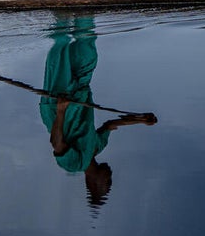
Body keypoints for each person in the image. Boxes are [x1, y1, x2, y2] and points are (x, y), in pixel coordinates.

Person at [39, 15, 157, 208]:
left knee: (61, 46)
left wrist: (61, 110)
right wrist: (141, 119)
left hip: (59, 102)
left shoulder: (74, 164)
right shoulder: (97, 147)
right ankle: (83, 9)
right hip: (80, 93)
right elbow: (112, 125)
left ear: (93, 184)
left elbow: (57, 142)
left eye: (107, 183)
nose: (110, 178)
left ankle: (62, 7)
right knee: (88, 49)